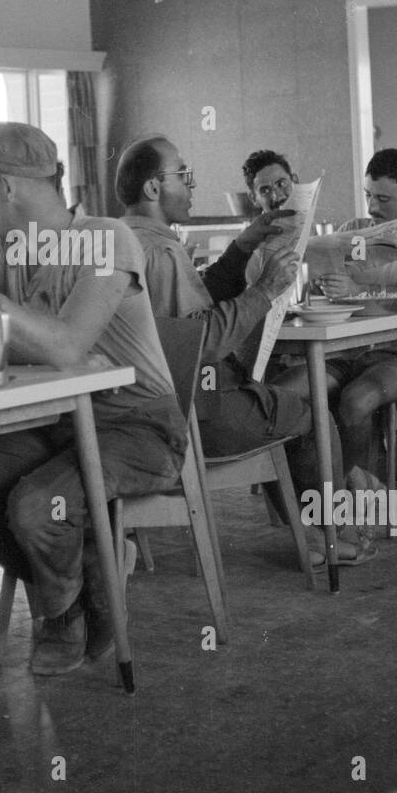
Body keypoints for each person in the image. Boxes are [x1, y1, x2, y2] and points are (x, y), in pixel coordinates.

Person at [0, 123, 187, 676]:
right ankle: (94, 577)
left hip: (139, 428)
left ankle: (64, 611)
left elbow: (65, 345)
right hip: (57, 424)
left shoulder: (107, 239)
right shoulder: (3, 254)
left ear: (8, 187)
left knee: (36, 507)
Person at [117, 136, 346, 538]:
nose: (192, 186)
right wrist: (264, 290)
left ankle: (309, 533)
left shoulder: (124, 239)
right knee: (316, 418)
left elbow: (196, 301)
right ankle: (330, 539)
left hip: (136, 410)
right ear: (154, 188)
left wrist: (244, 245)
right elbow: (203, 343)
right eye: (184, 175)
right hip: (192, 413)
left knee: (282, 395)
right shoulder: (163, 253)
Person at [272, 149, 397, 489]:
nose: (372, 208)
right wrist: (321, 281)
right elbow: (329, 288)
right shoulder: (353, 231)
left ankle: (353, 489)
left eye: (384, 199)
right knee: (282, 394)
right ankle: (331, 490)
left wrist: (361, 290)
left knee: (357, 400)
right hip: (344, 349)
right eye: (368, 196)